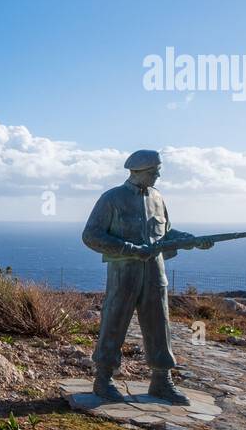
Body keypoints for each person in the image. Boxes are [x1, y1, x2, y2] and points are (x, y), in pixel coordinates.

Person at [81, 149, 211, 405]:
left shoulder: (158, 198)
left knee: (159, 324)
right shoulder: (112, 199)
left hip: (155, 272)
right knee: (114, 321)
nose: (158, 174)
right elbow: (91, 235)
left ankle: (162, 381)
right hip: (124, 273)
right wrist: (129, 250)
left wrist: (193, 240)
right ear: (138, 171)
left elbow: (167, 234)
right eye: (154, 171)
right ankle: (103, 379)